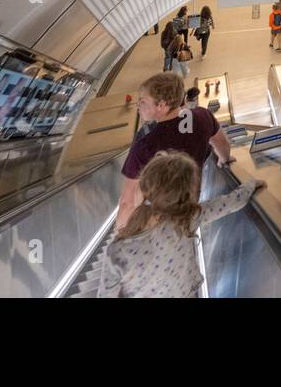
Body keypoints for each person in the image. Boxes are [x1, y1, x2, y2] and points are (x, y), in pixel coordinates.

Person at [99, 151, 264, 298]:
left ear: (142, 188)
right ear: (186, 195)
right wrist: (251, 184)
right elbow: (230, 203)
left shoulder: (118, 251)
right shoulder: (187, 219)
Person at [114, 73, 233, 233]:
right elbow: (222, 143)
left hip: (156, 220)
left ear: (161, 105)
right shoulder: (202, 115)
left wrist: (121, 234)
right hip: (189, 210)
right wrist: (224, 160)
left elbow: (128, 201)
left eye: (143, 102)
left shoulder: (146, 142)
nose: (138, 106)